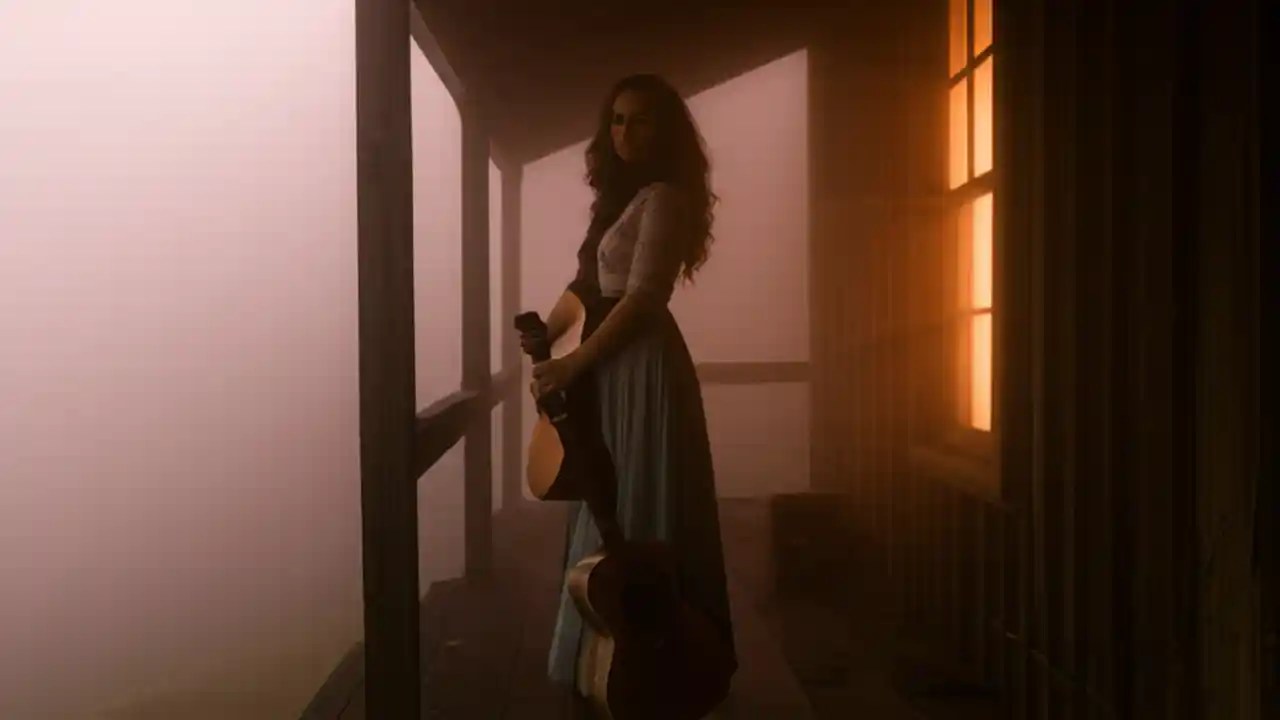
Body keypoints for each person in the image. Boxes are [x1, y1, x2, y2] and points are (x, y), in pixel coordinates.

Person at [522, 73, 738, 703]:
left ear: (664, 129)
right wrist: (547, 331)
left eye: (640, 120)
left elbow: (642, 299)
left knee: (640, 494)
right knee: (605, 490)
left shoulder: (665, 198)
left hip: (640, 363)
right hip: (605, 363)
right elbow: (588, 284)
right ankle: (607, 658)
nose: (625, 132)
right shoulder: (622, 200)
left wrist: (571, 364)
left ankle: (661, 660)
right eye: (616, 120)